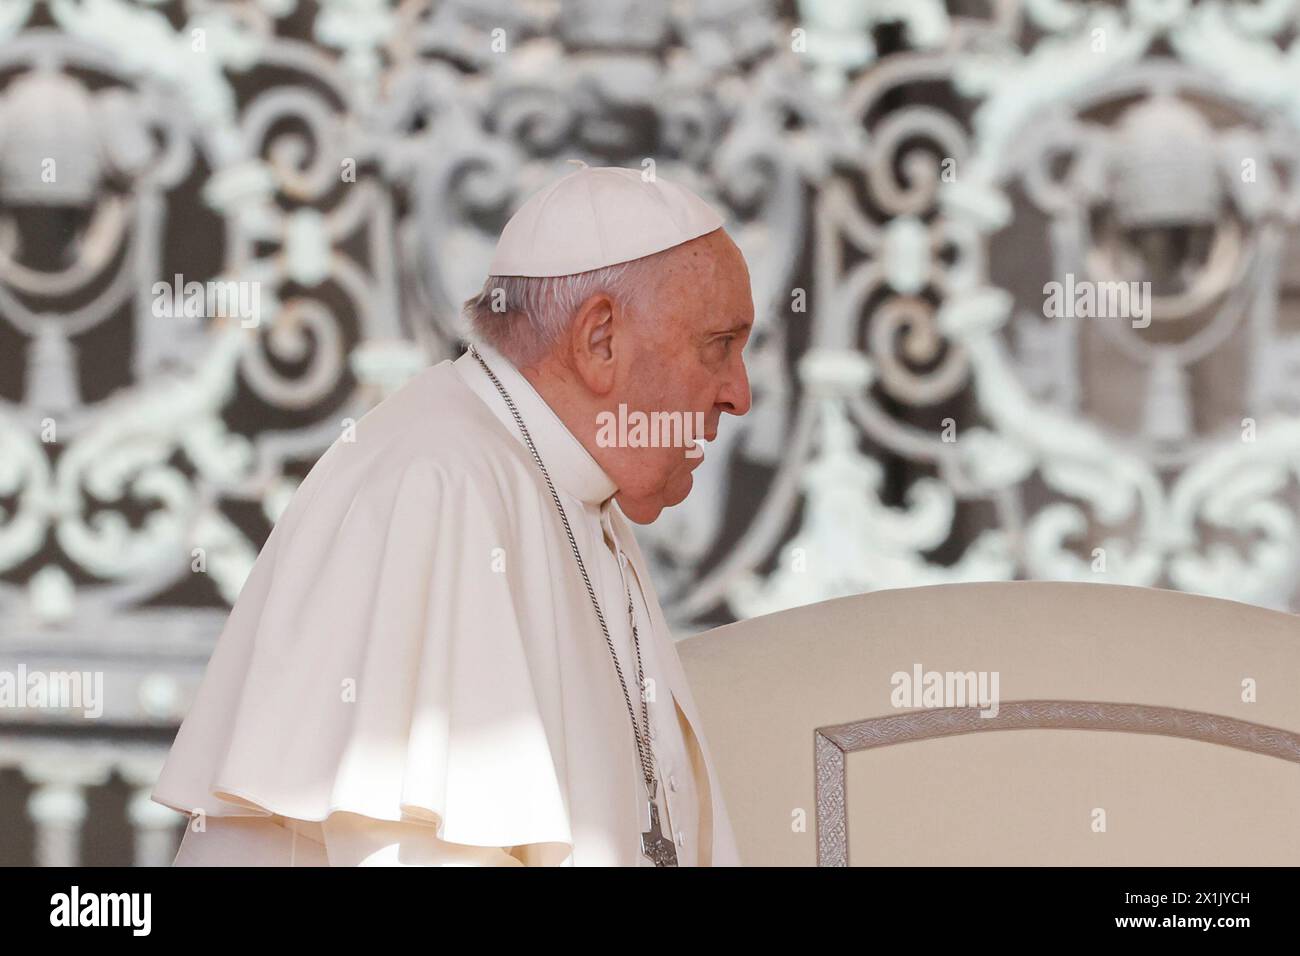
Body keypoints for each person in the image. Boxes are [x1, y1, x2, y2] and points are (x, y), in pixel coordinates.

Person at [152, 165, 754, 866]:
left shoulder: (572, 491)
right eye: (719, 347)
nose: (737, 396)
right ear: (600, 341)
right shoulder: (438, 484)